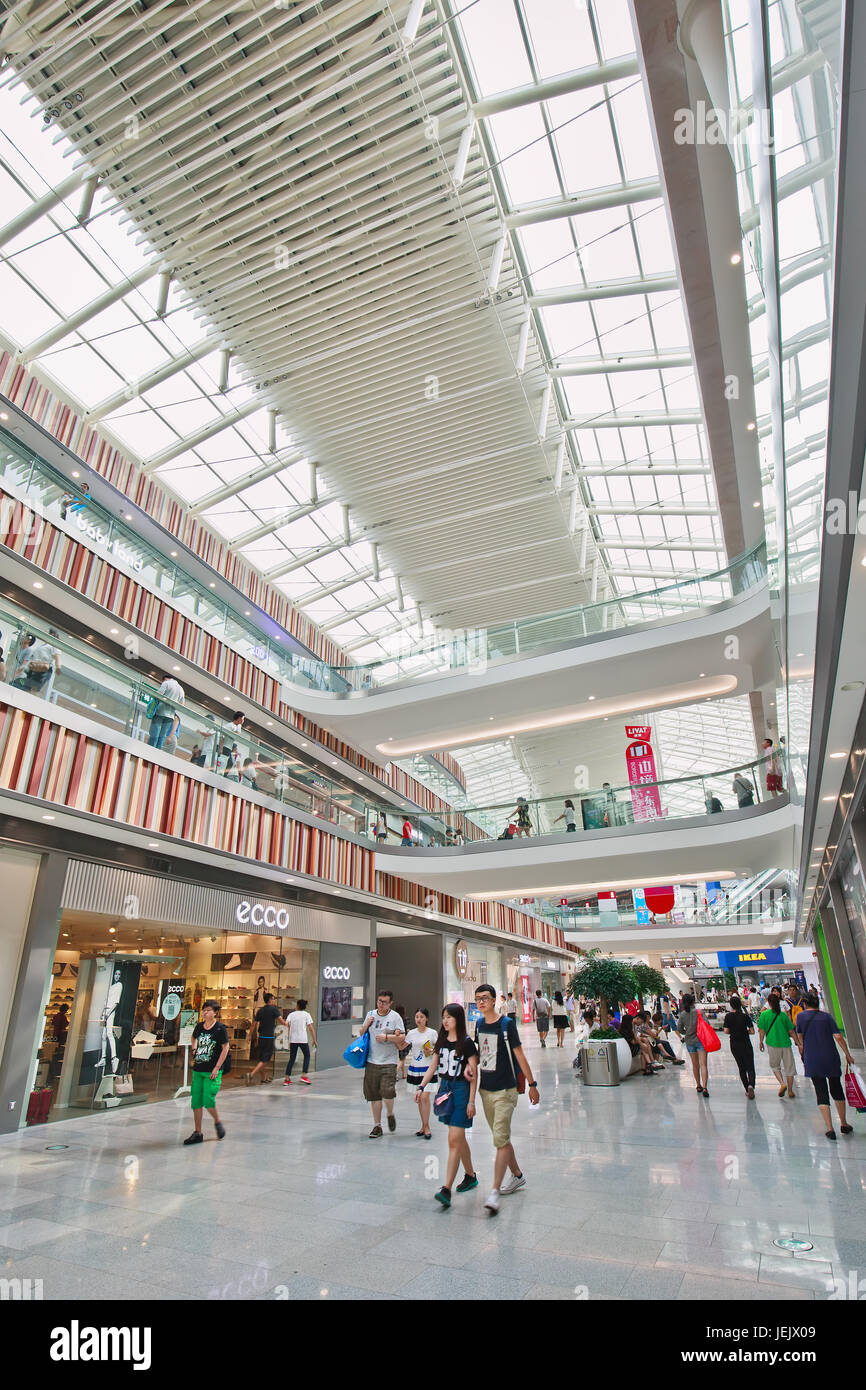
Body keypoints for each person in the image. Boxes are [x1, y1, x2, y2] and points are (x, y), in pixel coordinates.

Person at [473, 983, 538, 1215]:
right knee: (501, 1138)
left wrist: (532, 1084)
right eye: (478, 999)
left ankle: (494, 1191)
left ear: (494, 1000)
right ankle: (517, 1175)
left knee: (500, 1139)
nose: (481, 1002)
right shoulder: (479, 1025)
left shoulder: (506, 1024)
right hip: (486, 1090)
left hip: (505, 1090)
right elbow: (480, 1055)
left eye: (485, 998)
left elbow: (519, 1055)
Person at [415, 1004, 478, 1208]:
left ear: (458, 1019)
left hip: (461, 1091)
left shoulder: (467, 1043)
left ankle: (446, 1189)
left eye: (449, 1017)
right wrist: (421, 1086)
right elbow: (433, 1066)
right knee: (458, 1138)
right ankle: (470, 1175)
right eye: (444, 1017)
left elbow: (474, 1074)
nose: (445, 1020)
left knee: (453, 1140)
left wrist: (471, 1101)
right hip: (445, 1089)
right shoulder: (441, 1041)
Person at [795, 991, 856, 1141]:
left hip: (813, 1059)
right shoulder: (826, 1017)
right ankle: (843, 1123)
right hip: (830, 1058)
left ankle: (829, 1128)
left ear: (805, 1004)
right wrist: (848, 1054)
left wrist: (803, 1050)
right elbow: (838, 1036)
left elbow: (800, 1037)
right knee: (836, 1089)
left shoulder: (800, 1017)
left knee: (821, 1092)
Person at [359, 989, 405, 1136]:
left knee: (388, 1091)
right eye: (379, 1001)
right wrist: (367, 1024)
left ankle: (390, 1113)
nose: (381, 1004)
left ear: (390, 1003)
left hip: (389, 1061)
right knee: (373, 1095)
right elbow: (361, 1033)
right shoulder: (371, 1014)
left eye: (384, 1002)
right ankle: (377, 1125)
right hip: (371, 1060)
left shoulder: (395, 1017)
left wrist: (387, 1037)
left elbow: (402, 1037)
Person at [184, 1001, 229, 1144]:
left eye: (208, 1010)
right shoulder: (199, 1026)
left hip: (212, 1071)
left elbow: (225, 1047)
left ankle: (217, 1121)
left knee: (208, 1099)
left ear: (215, 1013)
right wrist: (194, 1048)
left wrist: (217, 1067)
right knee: (196, 1100)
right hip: (198, 1069)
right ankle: (198, 1132)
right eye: (204, 1010)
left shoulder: (220, 1028)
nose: (205, 1013)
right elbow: (193, 1037)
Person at [404, 1008, 438, 1137]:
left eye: (422, 1017)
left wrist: (432, 1050)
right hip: (415, 1069)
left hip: (428, 1068)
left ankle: (427, 1126)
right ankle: (423, 1126)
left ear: (426, 1018)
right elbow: (402, 1045)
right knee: (419, 1098)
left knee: (424, 1097)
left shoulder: (432, 1033)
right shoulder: (411, 1033)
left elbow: (438, 1049)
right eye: (417, 1017)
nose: (419, 1019)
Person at [757, 992, 797, 1098]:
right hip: (785, 1043)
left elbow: (761, 1030)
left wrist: (760, 1042)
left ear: (768, 1003)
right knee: (789, 1067)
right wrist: (798, 1042)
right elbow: (791, 1031)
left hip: (772, 1043)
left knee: (775, 1066)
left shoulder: (764, 1014)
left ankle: (782, 1084)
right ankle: (790, 1090)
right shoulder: (783, 1015)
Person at [723, 993, 757, 1097]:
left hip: (734, 1044)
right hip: (746, 1042)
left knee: (741, 1067)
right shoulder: (745, 1016)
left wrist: (734, 1031)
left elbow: (726, 1031)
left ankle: (747, 1089)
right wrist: (745, 1031)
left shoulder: (728, 1016)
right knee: (750, 1066)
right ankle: (751, 1085)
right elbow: (752, 1031)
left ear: (731, 1005)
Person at [11, 629, 61, 695]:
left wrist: (58, 667)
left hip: (42, 669)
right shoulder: (43, 646)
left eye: (47, 633)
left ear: (52, 635)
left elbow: (57, 656)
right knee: (24, 684)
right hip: (34, 668)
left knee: (34, 688)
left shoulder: (53, 646)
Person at [678, 993, 709, 1096]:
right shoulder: (700, 1012)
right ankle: (705, 1087)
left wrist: (686, 1032)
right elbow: (707, 1024)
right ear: (693, 1001)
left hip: (690, 1041)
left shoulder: (682, 1014)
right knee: (703, 1064)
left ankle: (698, 1085)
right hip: (701, 1040)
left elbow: (679, 1029)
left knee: (695, 1065)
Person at [246, 992, 281, 1084]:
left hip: (261, 1037)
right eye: (273, 998)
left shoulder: (260, 1010)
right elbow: (282, 1021)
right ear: (270, 1000)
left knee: (262, 1058)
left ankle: (263, 1078)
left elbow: (253, 1024)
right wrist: (289, 1025)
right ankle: (251, 1075)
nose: (274, 1000)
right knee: (265, 1059)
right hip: (269, 1037)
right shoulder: (274, 1009)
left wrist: (249, 1036)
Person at [283, 998, 316, 1085]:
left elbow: (286, 1024)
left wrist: (289, 1032)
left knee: (292, 1058)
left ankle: (287, 1078)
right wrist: (314, 1040)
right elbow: (311, 1028)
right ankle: (304, 1076)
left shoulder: (291, 1014)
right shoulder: (306, 1015)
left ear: (297, 1005)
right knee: (307, 1056)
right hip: (302, 1039)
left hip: (293, 1039)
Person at [147, 675, 184, 749]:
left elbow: (159, 694)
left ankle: (150, 749)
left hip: (160, 711)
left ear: (165, 679)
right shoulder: (181, 689)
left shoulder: (166, 683)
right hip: (170, 716)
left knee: (155, 733)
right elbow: (182, 704)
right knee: (162, 736)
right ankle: (157, 750)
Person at [619, 1012, 655, 1076]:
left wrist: (640, 1040)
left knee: (644, 1046)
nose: (641, 1024)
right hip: (630, 1049)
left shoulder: (629, 1028)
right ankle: (650, 1064)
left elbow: (635, 1037)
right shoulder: (626, 1031)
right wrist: (640, 1042)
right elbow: (633, 1041)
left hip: (630, 1046)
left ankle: (647, 1066)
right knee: (643, 1048)